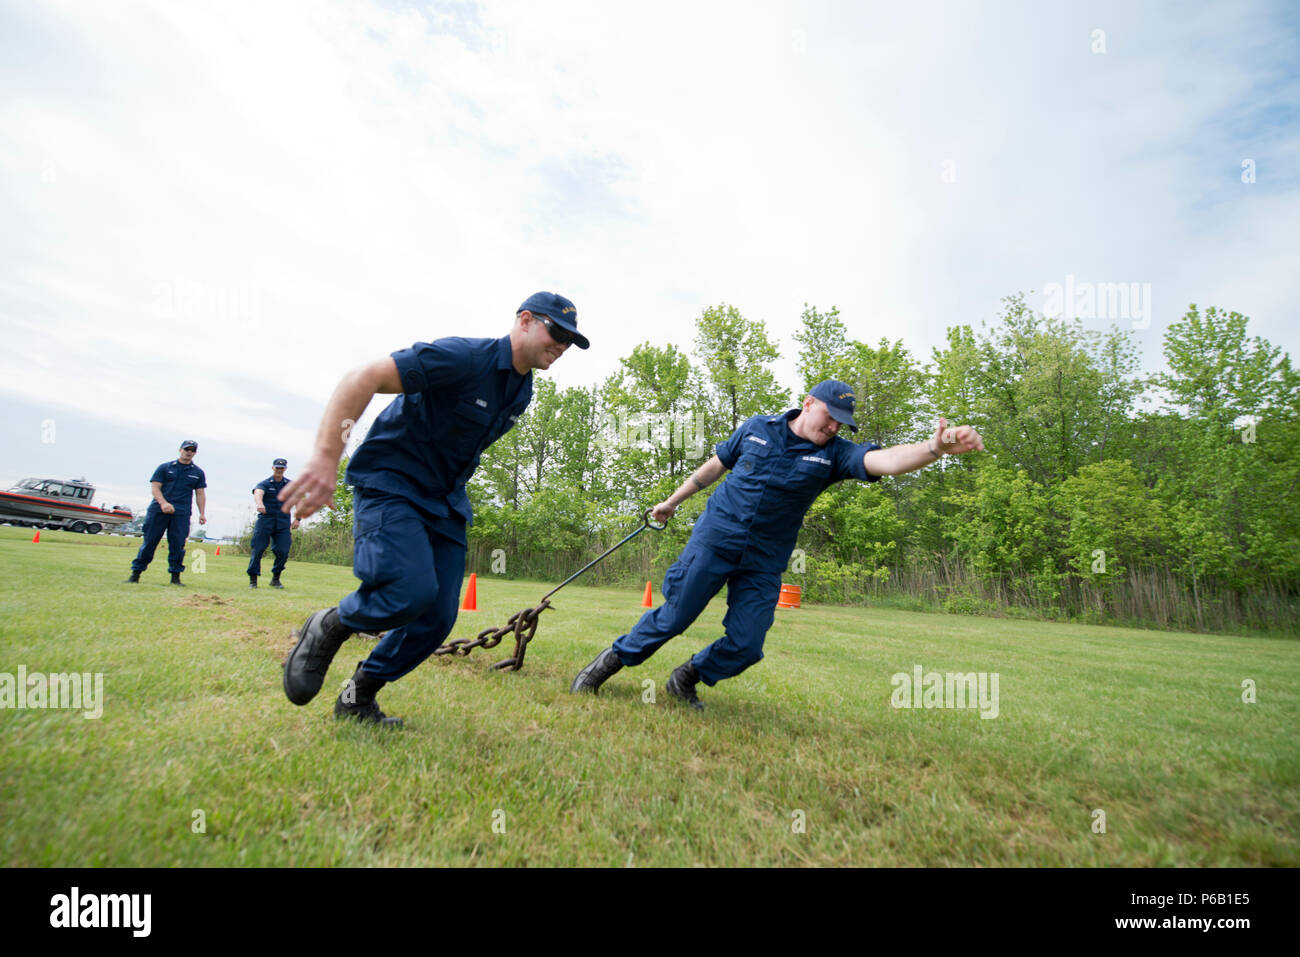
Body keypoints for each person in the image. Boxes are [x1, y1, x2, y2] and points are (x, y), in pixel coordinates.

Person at [570, 380, 985, 710]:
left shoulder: (835, 455)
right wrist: (671, 502)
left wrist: (934, 448)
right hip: (715, 540)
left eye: (842, 423)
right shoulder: (756, 428)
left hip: (764, 560)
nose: (834, 427)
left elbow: (887, 461)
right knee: (674, 618)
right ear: (808, 404)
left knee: (747, 645)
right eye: (830, 416)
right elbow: (716, 465)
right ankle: (601, 668)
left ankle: (686, 677)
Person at [279, 292, 589, 726]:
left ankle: (357, 697)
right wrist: (327, 457)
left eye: (570, 341)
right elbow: (361, 378)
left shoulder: (522, 391)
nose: (562, 345)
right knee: (408, 592)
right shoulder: (463, 358)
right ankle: (331, 624)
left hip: (443, 502)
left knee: (436, 618)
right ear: (524, 320)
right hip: (392, 483)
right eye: (556, 331)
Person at [125, 439, 207, 586]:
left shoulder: (198, 473)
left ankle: (175, 578)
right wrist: (163, 503)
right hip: (158, 510)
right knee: (149, 543)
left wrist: (202, 513)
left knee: (178, 545)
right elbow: (155, 488)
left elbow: (200, 493)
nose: (189, 452)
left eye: (192, 450)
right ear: (180, 450)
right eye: (186, 449)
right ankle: (135, 574)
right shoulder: (165, 468)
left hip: (181, 513)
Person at [247, 458, 301, 588]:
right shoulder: (265, 483)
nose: (279, 470)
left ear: (285, 469)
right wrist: (260, 504)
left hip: (283, 522)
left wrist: (298, 518)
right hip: (266, 520)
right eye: (277, 468)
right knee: (258, 549)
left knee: (283, 551)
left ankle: (276, 579)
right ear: (273, 468)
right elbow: (258, 493)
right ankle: (253, 580)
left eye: (282, 468)